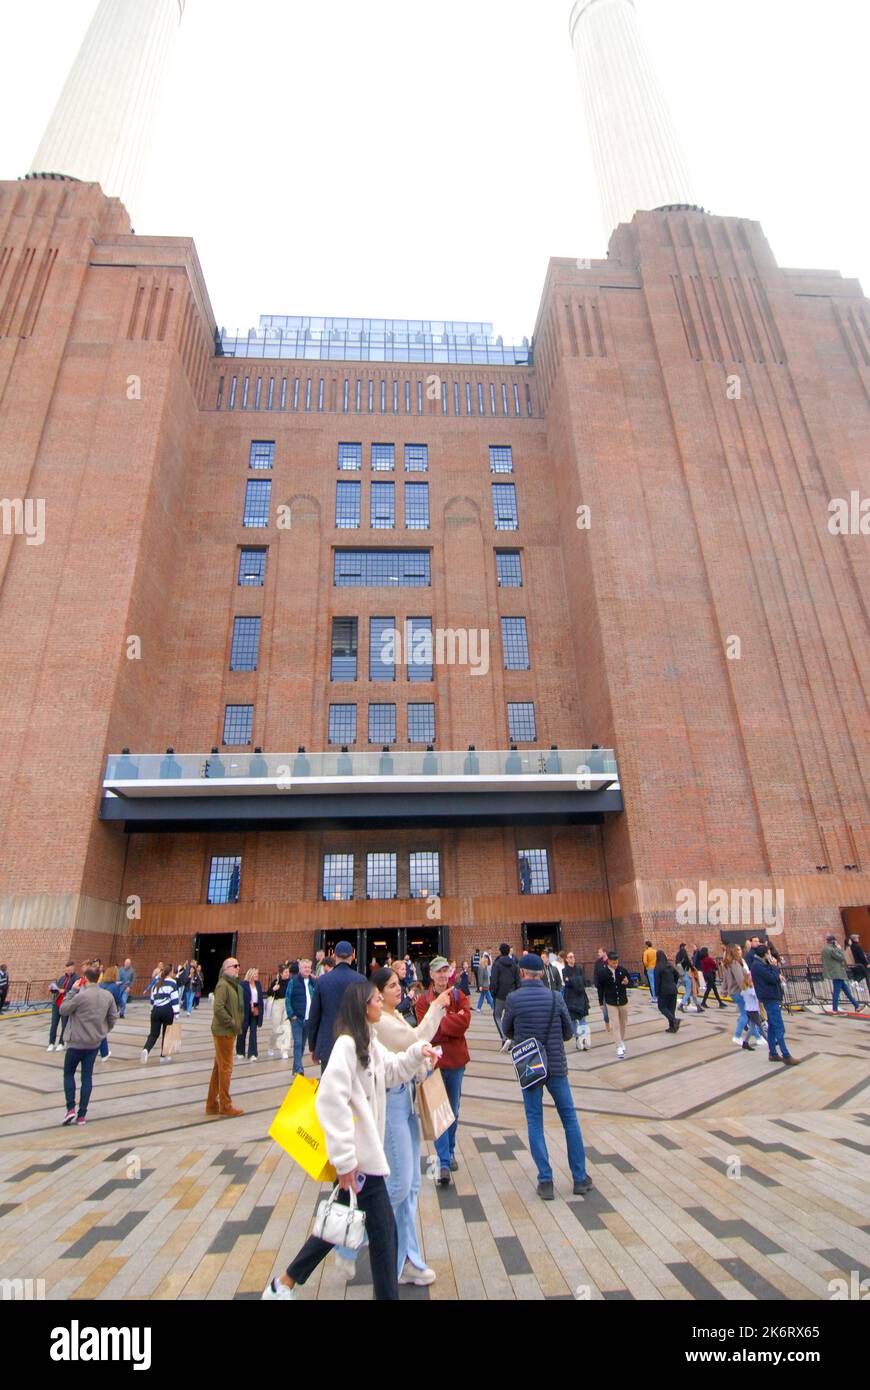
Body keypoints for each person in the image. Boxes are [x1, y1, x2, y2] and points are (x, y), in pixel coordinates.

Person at [263, 978, 439, 1302]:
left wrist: (417, 1052)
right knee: (380, 1233)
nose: (380, 1005)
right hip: (359, 1160)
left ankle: (283, 1283)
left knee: (343, 1227)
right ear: (363, 1007)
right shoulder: (346, 1045)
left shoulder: (368, 1041)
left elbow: (392, 1071)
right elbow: (330, 1100)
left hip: (364, 1159)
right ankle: (284, 1284)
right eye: (375, 1000)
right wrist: (344, 1161)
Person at [334, 966, 451, 1286]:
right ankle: (349, 1243)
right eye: (390, 986)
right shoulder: (380, 1023)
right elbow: (413, 1039)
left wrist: (421, 1060)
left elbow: (402, 1057)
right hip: (392, 1105)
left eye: (399, 984)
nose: (398, 989)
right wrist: (438, 1008)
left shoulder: (392, 1017)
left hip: (405, 1096)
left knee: (410, 1187)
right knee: (397, 1186)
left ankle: (406, 1258)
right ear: (373, 997)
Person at [501, 954, 593, 1201]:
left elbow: (507, 1029)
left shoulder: (514, 999)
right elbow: (568, 1032)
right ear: (542, 973)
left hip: (531, 1065)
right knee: (569, 1119)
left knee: (534, 1120)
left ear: (522, 973)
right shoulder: (555, 997)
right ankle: (579, 1177)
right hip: (556, 1065)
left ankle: (545, 1180)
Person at [414, 955, 471, 1186]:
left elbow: (464, 1023)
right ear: (431, 974)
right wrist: (450, 1020)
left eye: (445, 971)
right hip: (433, 1064)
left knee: (453, 1109)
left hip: (456, 1061)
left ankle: (450, 1149)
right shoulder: (421, 1001)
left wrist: (440, 1022)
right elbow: (426, 1033)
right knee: (439, 1112)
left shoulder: (460, 996)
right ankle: (444, 1162)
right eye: (438, 971)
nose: (441, 975)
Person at [58, 966, 118, 1125]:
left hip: (76, 1043)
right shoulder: (107, 996)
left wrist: (72, 990)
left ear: (85, 978)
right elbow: (113, 1017)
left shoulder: (80, 996)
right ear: (98, 978)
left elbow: (63, 1010)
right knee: (87, 1078)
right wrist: (104, 1031)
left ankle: (70, 1108)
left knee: (68, 1074)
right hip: (93, 1044)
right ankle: (82, 1115)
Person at [308, 941, 361, 1072]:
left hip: (328, 1044)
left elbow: (314, 1016)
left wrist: (313, 1047)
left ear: (334, 956)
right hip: (354, 1044)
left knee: (329, 1088)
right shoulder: (361, 980)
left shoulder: (323, 980)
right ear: (352, 956)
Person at [206, 957, 245, 1116]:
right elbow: (218, 1008)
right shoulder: (223, 985)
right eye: (235, 966)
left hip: (228, 1031)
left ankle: (211, 1104)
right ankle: (225, 1105)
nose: (238, 968)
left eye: (238, 965)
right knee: (226, 1068)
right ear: (227, 968)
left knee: (219, 1068)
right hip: (224, 1032)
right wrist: (232, 1023)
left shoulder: (232, 985)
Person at [750, 946, 799, 1066]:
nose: (770, 955)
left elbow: (772, 976)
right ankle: (786, 1054)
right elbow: (771, 978)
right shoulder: (758, 965)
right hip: (769, 997)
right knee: (779, 1027)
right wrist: (774, 967)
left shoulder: (760, 964)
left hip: (770, 997)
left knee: (772, 1026)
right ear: (764, 954)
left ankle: (773, 1052)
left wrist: (774, 970)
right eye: (768, 953)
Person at [141, 965, 180, 1064]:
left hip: (155, 1010)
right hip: (167, 1010)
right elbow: (175, 999)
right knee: (166, 1034)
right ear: (170, 973)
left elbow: (152, 1000)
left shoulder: (157, 984)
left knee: (153, 1034)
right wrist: (176, 1014)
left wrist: (151, 1010)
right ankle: (163, 1056)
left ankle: (146, 1049)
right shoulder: (173, 983)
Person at [720, 945, 754, 1045]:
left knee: (747, 1014)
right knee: (746, 1015)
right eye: (738, 950)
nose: (740, 951)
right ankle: (737, 1035)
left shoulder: (727, 964)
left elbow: (725, 979)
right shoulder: (735, 963)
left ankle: (758, 1036)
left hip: (734, 992)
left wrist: (724, 990)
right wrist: (747, 990)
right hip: (739, 992)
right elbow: (740, 980)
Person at [287, 958, 316, 1075]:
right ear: (300, 969)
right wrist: (291, 1015)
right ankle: (299, 1069)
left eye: (309, 967)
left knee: (303, 1044)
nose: (307, 969)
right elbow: (287, 999)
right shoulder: (293, 982)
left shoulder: (313, 982)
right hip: (297, 1018)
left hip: (308, 1019)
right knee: (298, 1043)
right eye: (305, 967)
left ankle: (296, 1068)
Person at [601, 951, 631, 1058]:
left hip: (623, 1000)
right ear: (608, 962)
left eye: (617, 962)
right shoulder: (603, 972)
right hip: (611, 1001)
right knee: (615, 1024)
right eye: (613, 963)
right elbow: (600, 988)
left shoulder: (622, 970)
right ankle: (618, 1046)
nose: (615, 965)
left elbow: (630, 981)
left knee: (623, 1023)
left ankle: (621, 1040)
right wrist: (601, 1002)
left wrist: (627, 982)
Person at [822, 934, 859, 1012]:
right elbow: (841, 957)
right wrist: (839, 949)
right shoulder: (832, 949)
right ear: (833, 941)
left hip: (835, 972)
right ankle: (835, 1010)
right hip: (837, 973)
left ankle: (857, 1006)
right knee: (836, 992)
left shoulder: (825, 948)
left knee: (847, 991)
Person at [490, 942, 520, 1037]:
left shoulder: (497, 964)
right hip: (512, 995)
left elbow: (494, 981)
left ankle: (504, 1037)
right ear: (508, 951)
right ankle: (511, 1037)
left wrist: (493, 993)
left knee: (497, 1016)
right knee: (510, 1017)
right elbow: (518, 981)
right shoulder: (514, 964)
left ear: (500, 951)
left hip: (500, 995)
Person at [562, 952, 590, 1049]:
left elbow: (583, 981)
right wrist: (576, 980)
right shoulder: (564, 970)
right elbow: (567, 982)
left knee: (582, 1019)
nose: (572, 958)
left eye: (573, 956)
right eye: (570, 957)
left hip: (580, 996)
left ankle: (584, 1038)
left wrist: (572, 980)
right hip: (570, 997)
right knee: (573, 1020)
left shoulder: (579, 969)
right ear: (566, 959)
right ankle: (578, 1039)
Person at [47, 961, 77, 1050]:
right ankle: (51, 1043)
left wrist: (66, 991)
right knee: (54, 1024)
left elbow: (76, 991)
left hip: (66, 1005)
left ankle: (61, 1043)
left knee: (64, 1025)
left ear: (73, 968)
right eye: (67, 969)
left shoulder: (76, 979)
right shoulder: (62, 978)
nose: (68, 970)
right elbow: (57, 989)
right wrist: (52, 989)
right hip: (57, 1004)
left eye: (70, 969)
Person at [97, 966, 125, 1058]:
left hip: (97, 1008)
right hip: (107, 1010)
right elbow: (118, 999)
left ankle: (99, 1050)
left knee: (98, 1029)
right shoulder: (114, 986)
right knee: (103, 1030)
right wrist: (122, 1005)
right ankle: (104, 1053)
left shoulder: (100, 984)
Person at [237, 967, 264, 1062]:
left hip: (255, 1010)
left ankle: (252, 1053)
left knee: (253, 1031)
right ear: (251, 974)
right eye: (255, 974)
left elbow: (260, 998)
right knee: (243, 1030)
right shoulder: (243, 984)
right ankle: (240, 1051)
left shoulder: (258, 984)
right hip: (246, 1009)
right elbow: (239, 998)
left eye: (258, 974)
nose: (257, 975)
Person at [268, 965, 292, 1060]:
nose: (287, 974)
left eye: (288, 972)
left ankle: (284, 1050)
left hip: (287, 1003)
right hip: (277, 1004)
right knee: (276, 1026)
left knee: (287, 1026)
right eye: (285, 972)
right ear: (281, 973)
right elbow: (269, 992)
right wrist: (273, 989)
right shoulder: (276, 981)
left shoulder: (291, 982)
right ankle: (271, 1045)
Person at [653, 950, 681, 1033]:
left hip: (664, 991)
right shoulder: (670, 965)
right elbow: (677, 975)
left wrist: (656, 992)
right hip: (673, 990)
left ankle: (674, 1020)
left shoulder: (658, 967)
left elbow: (657, 981)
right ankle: (672, 1027)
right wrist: (674, 983)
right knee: (671, 1009)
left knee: (662, 1007)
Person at [592, 948, 611, 1032]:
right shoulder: (598, 963)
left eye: (599, 952)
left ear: (604, 953)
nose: (598, 954)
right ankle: (607, 1022)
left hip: (611, 988)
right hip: (602, 989)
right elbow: (595, 974)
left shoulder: (610, 961)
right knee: (605, 1009)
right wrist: (596, 984)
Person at [675, 943, 697, 1012]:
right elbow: (689, 965)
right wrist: (693, 969)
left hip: (680, 975)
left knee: (680, 988)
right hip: (686, 975)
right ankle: (682, 1004)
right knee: (688, 991)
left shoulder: (678, 955)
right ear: (683, 947)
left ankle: (690, 1002)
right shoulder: (685, 955)